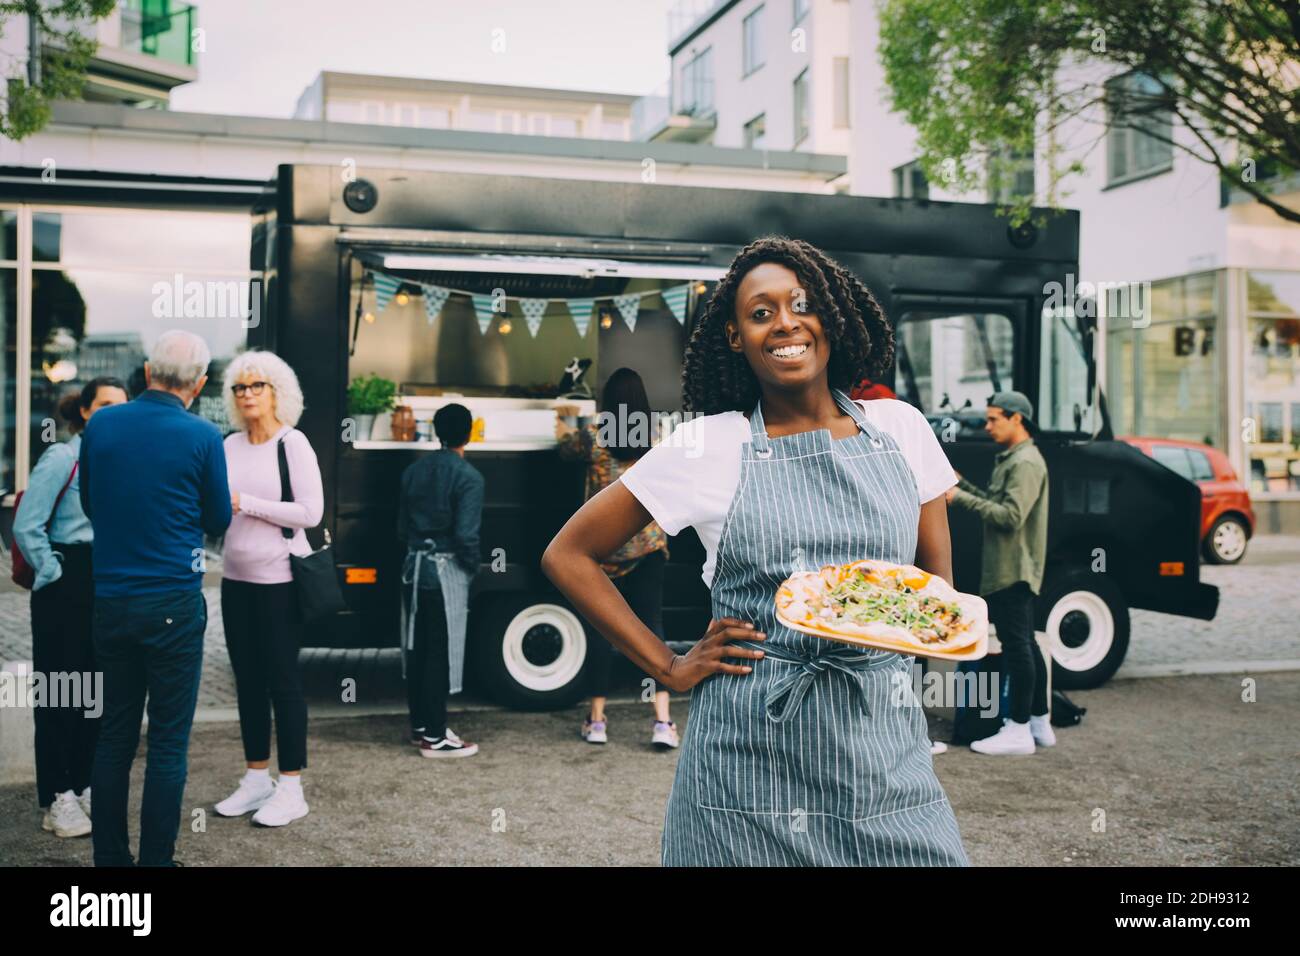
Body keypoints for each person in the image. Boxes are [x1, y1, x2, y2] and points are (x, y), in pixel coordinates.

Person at [542, 236, 969, 866]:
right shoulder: (708, 445)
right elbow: (569, 554)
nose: (785, 323)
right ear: (736, 338)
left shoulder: (901, 428)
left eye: (801, 304)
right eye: (760, 312)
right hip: (748, 758)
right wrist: (668, 667)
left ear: (831, 315)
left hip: (881, 747)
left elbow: (936, 593)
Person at [81, 330, 232, 867]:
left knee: (114, 735)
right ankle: (155, 864)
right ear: (201, 383)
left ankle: (111, 862)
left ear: (147, 372)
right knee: (168, 743)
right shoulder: (203, 435)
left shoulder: (101, 424)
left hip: (113, 600)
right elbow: (218, 520)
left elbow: (91, 502)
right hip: (172, 600)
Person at [15, 377, 128, 838]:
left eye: (121, 407)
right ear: (84, 411)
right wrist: (52, 572)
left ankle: (83, 785)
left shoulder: (123, 460)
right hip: (67, 579)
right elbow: (26, 524)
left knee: (95, 689)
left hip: (108, 580)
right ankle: (57, 797)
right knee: (61, 690)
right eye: (104, 405)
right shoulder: (62, 456)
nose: (113, 414)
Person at [213, 351, 322, 825]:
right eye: (240, 388)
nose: (248, 395)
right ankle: (257, 779)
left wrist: (248, 503)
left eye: (257, 386)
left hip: (279, 582)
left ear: (277, 392)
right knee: (248, 684)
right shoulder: (228, 445)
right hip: (234, 581)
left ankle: (292, 787)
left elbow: (310, 514)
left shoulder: (291, 443)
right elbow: (218, 510)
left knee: (283, 684)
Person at [556, 368, 676, 749]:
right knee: (652, 629)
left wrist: (561, 414)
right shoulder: (657, 438)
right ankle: (662, 722)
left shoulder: (592, 438)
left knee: (601, 634)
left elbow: (562, 447)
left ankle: (596, 721)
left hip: (601, 554)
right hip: (648, 547)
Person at [946, 391, 1052, 755]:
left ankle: (1018, 730)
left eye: (994, 419)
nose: (987, 426)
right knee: (1028, 644)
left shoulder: (1024, 463)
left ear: (1017, 419)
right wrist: (964, 486)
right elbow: (999, 503)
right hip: (1014, 568)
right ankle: (1039, 722)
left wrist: (959, 498)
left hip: (1012, 569)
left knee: (1017, 648)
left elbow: (1010, 517)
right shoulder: (1018, 458)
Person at [397, 403, 484, 758]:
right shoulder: (469, 477)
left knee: (416, 650)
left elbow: (401, 527)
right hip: (444, 572)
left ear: (437, 431)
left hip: (412, 568)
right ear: (469, 433)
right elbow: (466, 535)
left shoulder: (414, 471)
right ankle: (435, 736)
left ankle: (420, 725)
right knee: (440, 654)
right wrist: (473, 567)